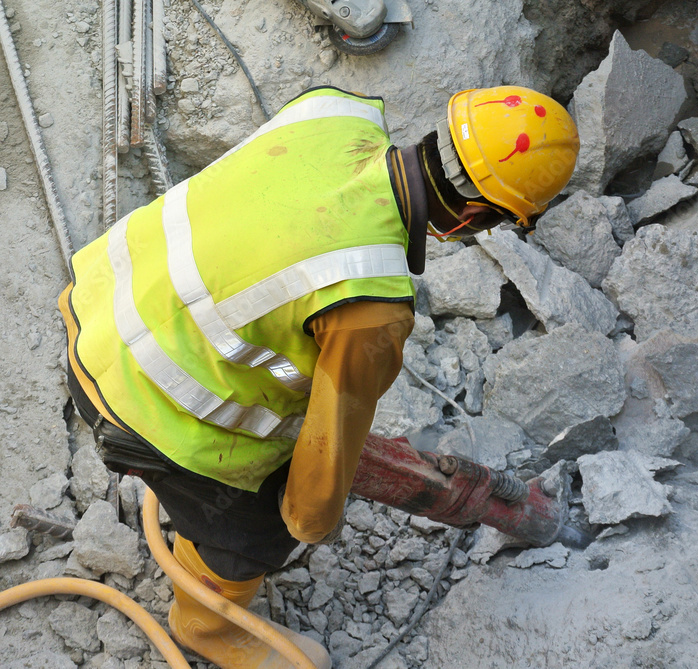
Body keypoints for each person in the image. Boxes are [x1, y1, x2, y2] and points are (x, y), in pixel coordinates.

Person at [58, 85, 579, 669]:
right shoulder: (372, 307)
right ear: (477, 215)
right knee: (259, 529)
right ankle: (204, 627)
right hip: (133, 399)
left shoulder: (334, 113)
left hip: (101, 302)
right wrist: (306, 517)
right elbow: (314, 491)